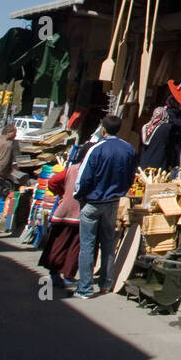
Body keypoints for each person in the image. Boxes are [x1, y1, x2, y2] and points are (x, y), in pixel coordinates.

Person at [73, 115, 137, 299]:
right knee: (108, 243)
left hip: (92, 202)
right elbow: (131, 175)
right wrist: (121, 191)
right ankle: (106, 284)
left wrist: (80, 196)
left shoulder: (96, 149)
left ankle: (84, 288)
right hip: (112, 202)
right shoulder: (128, 149)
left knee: (87, 245)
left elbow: (83, 178)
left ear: (103, 130)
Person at [38, 142, 90, 292]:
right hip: (81, 214)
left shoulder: (71, 169)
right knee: (75, 246)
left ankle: (55, 273)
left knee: (58, 243)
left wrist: (62, 193)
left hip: (63, 213)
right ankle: (68, 276)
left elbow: (53, 182)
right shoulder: (93, 171)